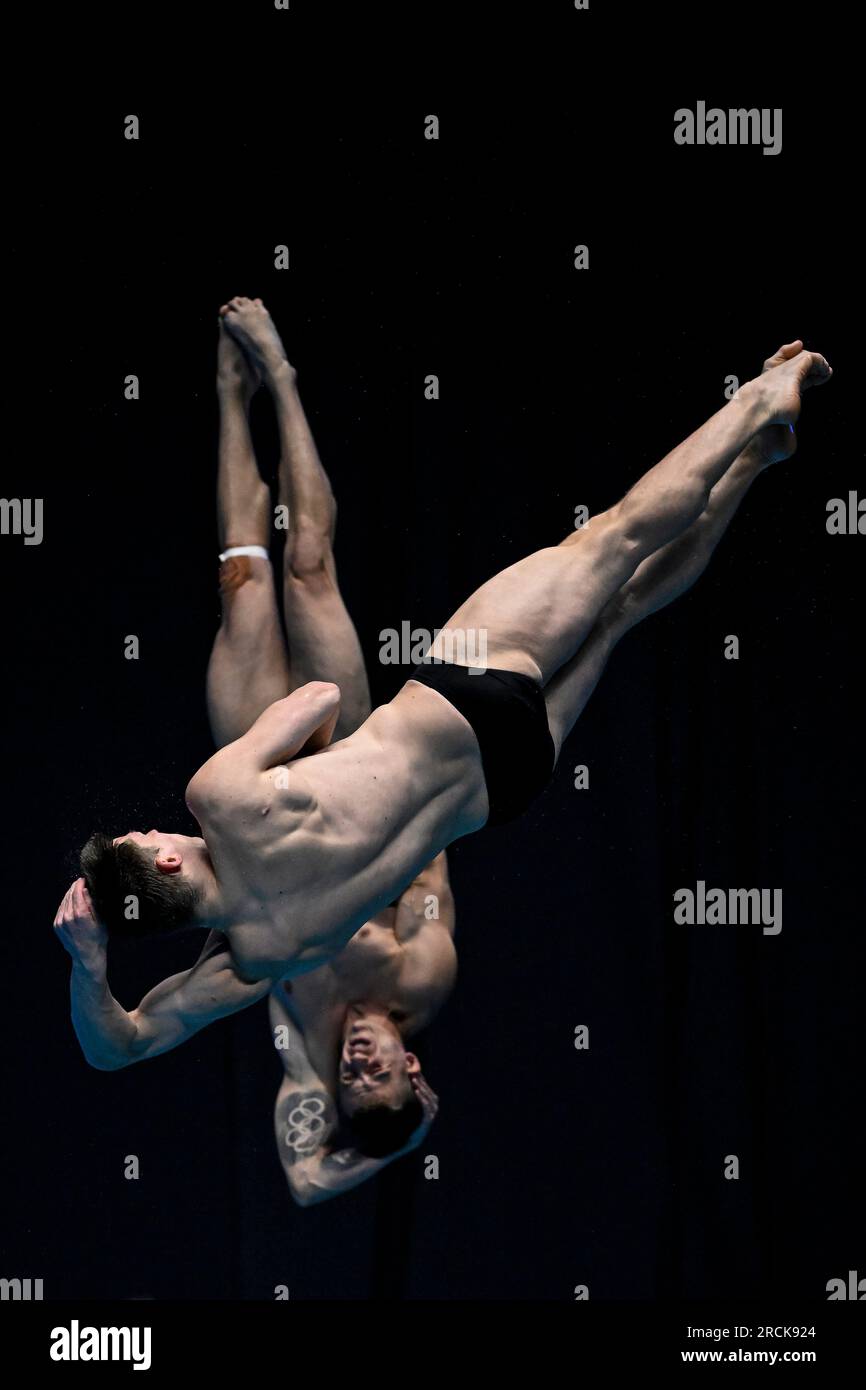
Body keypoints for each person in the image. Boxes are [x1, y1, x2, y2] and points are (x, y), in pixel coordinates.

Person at [57, 300, 831, 1083]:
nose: (155, 829)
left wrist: (92, 967)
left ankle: (752, 464)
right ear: (161, 862)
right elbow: (320, 696)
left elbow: (120, 1047)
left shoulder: (259, 961)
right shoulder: (217, 796)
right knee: (613, 537)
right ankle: (755, 403)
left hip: (506, 785)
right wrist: (318, 767)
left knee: (624, 616)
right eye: (144, 837)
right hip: (461, 700)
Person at [57, 308, 453, 1197]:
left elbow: (300, 1177)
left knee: (245, 587)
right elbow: (432, 834)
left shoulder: (288, 1025)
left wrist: (90, 966)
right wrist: (404, 1136)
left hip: (255, 773)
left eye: (353, 1084)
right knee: (310, 563)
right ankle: (281, 375)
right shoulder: (421, 968)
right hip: (336, 751)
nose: (357, 1065)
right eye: (379, 1076)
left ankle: (232, 399)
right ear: (411, 1066)